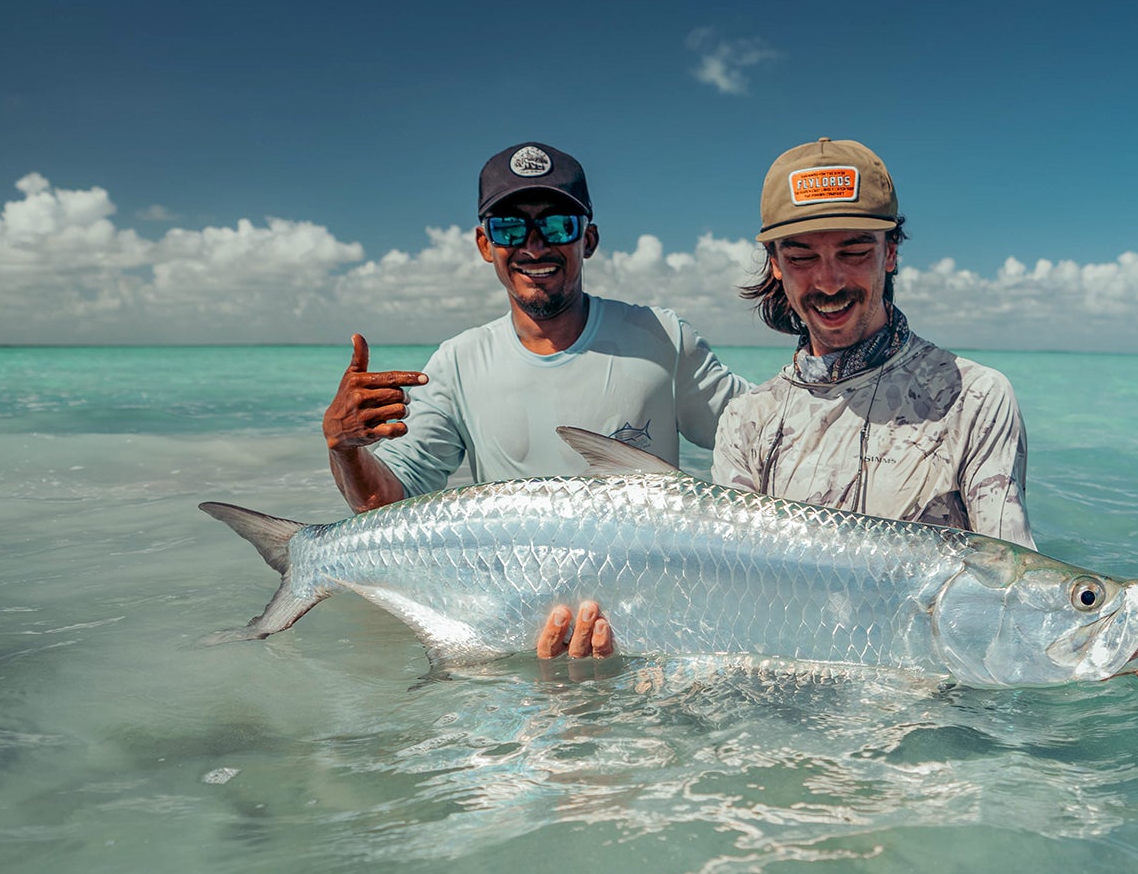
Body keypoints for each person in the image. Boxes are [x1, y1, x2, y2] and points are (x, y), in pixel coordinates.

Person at [321, 141, 747, 658]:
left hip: (651, 637)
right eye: (509, 227)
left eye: (558, 225)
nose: (534, 245)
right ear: (484, 244)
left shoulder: (663, 339)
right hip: (517, 641)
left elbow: (762, 435)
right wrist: (344, 447)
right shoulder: (457, 363)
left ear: (588, 239)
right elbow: (387, 510)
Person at [709, 137, 1036, 548]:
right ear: (775, 264)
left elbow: (1012, 577)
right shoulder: (746, 421)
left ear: (890, 253)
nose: (829, 282)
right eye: (802, 258)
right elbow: (732, 576)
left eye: (855, 252)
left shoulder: (974, 398)